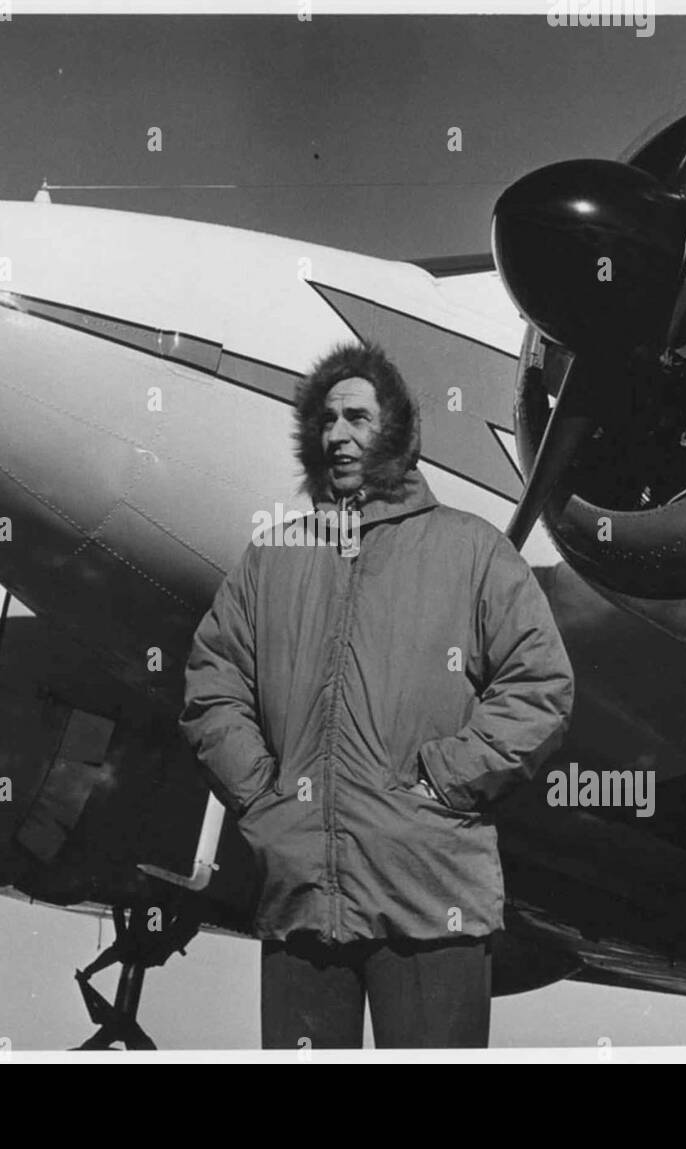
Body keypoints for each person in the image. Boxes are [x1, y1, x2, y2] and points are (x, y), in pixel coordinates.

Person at [179, 340, 574, 1048]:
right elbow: (213, 682)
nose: (337, 435)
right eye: (326, 419)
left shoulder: (473, 552)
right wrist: (263, 793)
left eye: (357, 417)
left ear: (397, 430)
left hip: (430, 899)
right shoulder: (274, 557)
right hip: (303, 901)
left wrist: (443, 781)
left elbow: (540, 685)